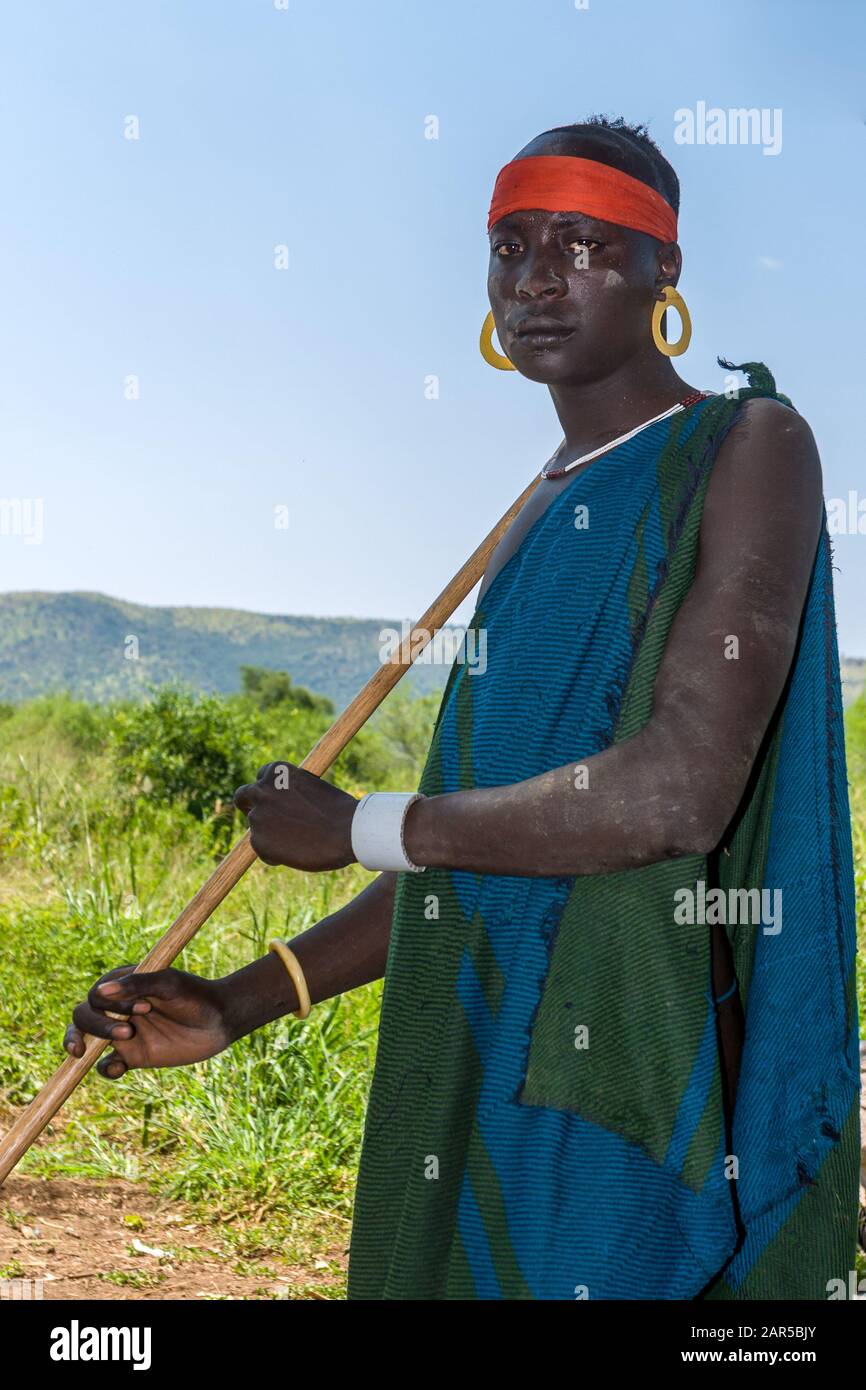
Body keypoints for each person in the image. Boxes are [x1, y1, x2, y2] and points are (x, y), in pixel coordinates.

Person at [64, 116, 860, 1300]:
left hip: (624, 1082)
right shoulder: (529, 518)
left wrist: (359, 825)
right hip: (472, 1056)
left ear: (663, 272)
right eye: (509, 246)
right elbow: (492, 854)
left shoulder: (742, 444)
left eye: (582, 244)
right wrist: (238, 999)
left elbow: (674, 792)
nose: (534, 277)